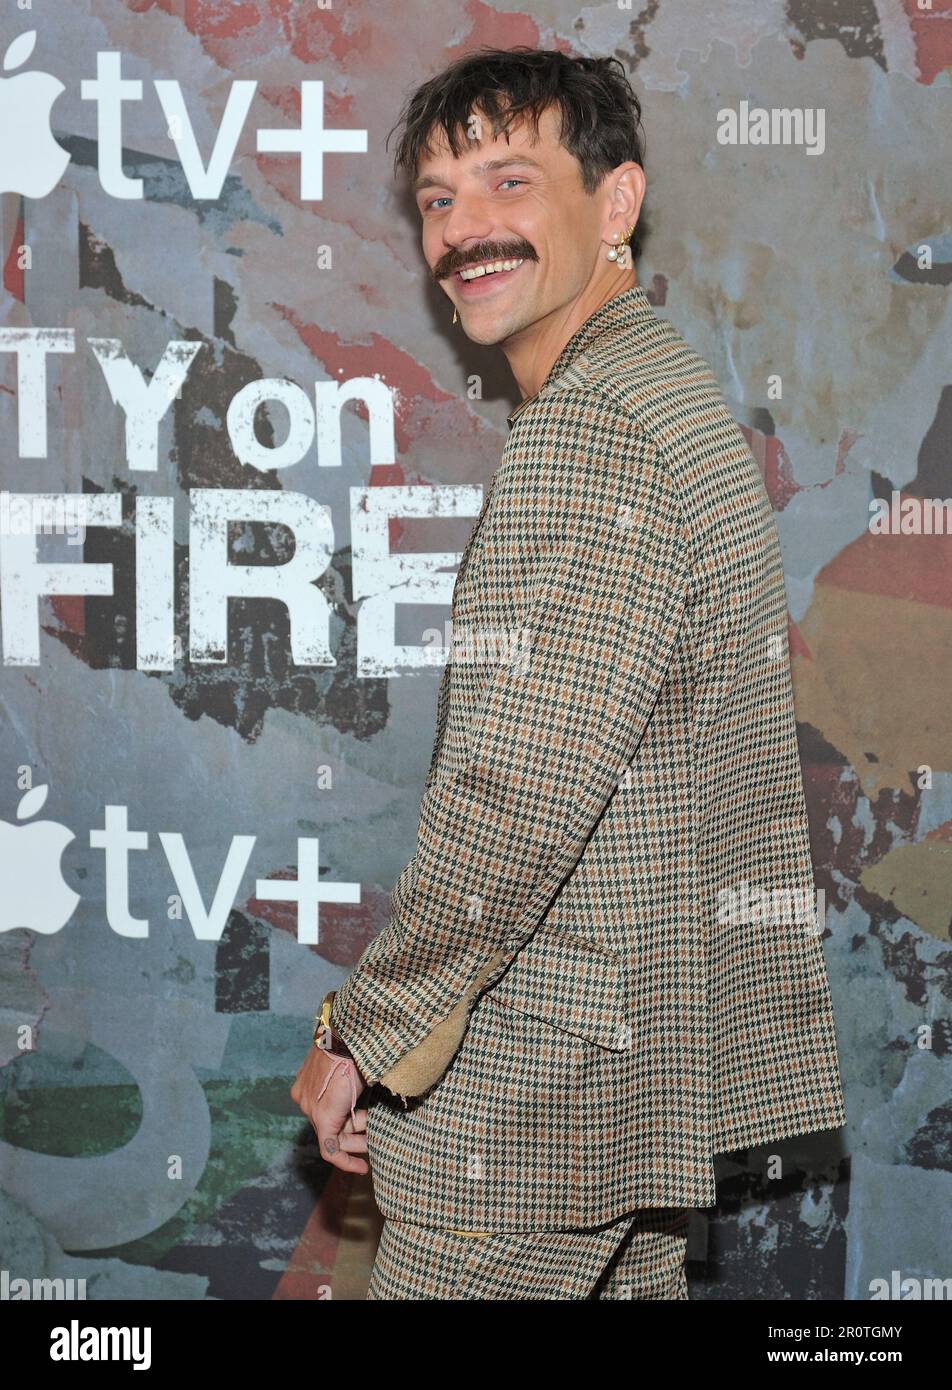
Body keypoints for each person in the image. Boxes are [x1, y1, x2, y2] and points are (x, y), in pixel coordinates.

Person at [291, 46, 846, 1301]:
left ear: (616, 205)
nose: (464, 231)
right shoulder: (664, 395)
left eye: (506, 182)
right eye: (437, 199)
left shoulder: (594, 434)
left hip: (528, 1119)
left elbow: (515, 802)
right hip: (631, 1091)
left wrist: (359, 1033)